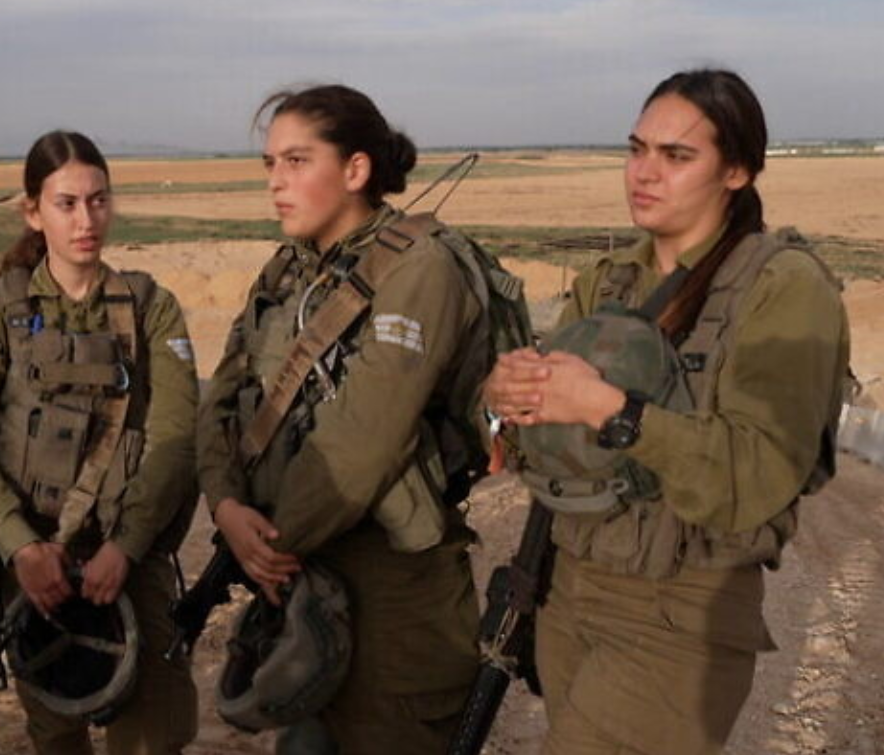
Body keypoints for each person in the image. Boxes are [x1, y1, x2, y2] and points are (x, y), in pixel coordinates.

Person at [484, 69, 851, 755]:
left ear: (736, 170)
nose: (643, 173)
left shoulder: (782, 287)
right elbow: (547, 437)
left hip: (675, 609)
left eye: (675, 156)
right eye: (635, 150)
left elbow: (756, 472)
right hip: (564, 587)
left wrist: (608, 408)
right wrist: (507, 397)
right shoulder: (609, 280)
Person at [198, 84, 489, 753]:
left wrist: (265, 544)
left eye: (296, 161)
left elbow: (363, 438)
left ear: (355, 170)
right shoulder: (287, 271)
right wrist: (223, 506)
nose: (276, 182)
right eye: (269, 164)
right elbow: (222, 397)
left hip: (392, 600)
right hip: (301, 583)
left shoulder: (421, 268)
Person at [0, 130, 199, 754]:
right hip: (37, 564)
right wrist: (20, 545)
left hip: (127, 557)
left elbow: (174, 438)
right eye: (66, 203)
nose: (86, 220)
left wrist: (128, 546)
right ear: (33, 211)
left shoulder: (150, 308)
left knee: (156, 733)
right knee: (57, 729)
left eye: (98, 200)